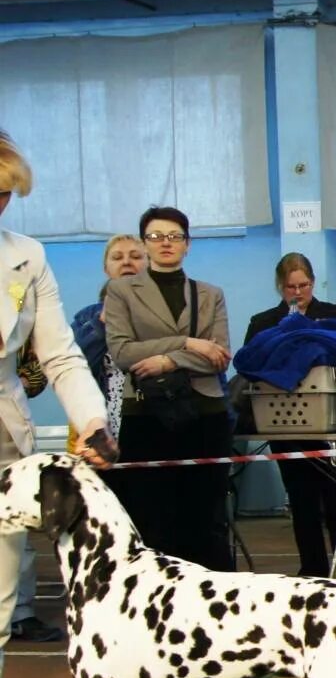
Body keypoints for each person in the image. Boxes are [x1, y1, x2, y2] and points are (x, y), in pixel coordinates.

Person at [0, 128, 119, 678]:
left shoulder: (27, 256)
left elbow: (59, 353)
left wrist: (93, 422)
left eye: (7, 191)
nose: (1, 201)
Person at [103, 205, 234, 571]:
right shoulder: (121, 291)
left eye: (174, 236)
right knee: (152, 518)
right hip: (147, 415)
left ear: (187, 244)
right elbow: (123, 351)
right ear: (145, 244)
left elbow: (220, 355)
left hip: (205, 414)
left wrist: (167, 360)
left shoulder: (210, 294)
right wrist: (189, 345)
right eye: (156, 236)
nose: (165, 243)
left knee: (206, 520)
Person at [241, 253, 336, 583]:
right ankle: (312, 572)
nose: (297, 292)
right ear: (280, 286)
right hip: (286, 426)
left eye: (303, 285)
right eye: (290, 287)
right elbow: (250, 368)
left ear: (313, 283)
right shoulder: (263, 322)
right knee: (302, 503)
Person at [71, 234, 149, 438]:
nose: (126, 262)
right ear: (106, 269)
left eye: (135, 256)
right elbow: (74, 367)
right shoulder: (87, 317)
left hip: (158, 425)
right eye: (117, 257)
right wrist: (101, 322)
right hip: (106, 429)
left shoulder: (168, 312)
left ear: (149, 264)